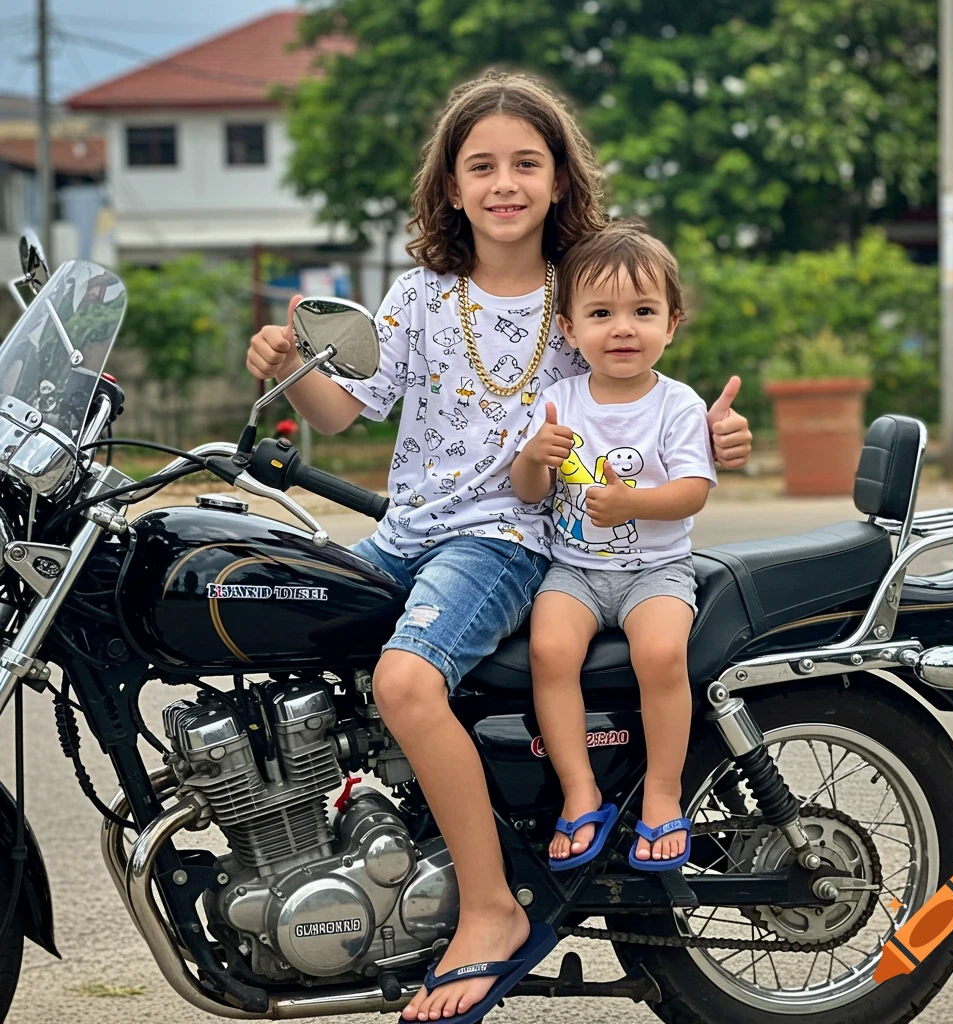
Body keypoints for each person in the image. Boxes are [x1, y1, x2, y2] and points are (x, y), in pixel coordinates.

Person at [246, 72, 751, 1024]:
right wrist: (289, 368)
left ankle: (489, 909)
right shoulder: (420, 293)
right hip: (404, 532)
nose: (504, 182)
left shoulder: (582, 290)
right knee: (290, 630)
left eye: (527, 162)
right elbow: (349, 410)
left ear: (560, 179)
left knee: (405, 682)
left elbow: (648, 385)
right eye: (481, 166)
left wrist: (720, 440)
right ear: (449, 186)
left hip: (508, 537)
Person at [512, 223, 713, 873]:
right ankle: (580, 789)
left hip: (657, 570)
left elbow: (691, 493)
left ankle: (661, 792)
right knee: (548, 651)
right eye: (601, 314)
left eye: (643, 312)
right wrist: (534, 458)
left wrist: (632, 504)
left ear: (672, 324)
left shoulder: (676, 406)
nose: (623, 328)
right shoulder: (559, 399)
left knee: (660, 654)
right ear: (570, 330)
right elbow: (528, 489)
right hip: (575, 570)